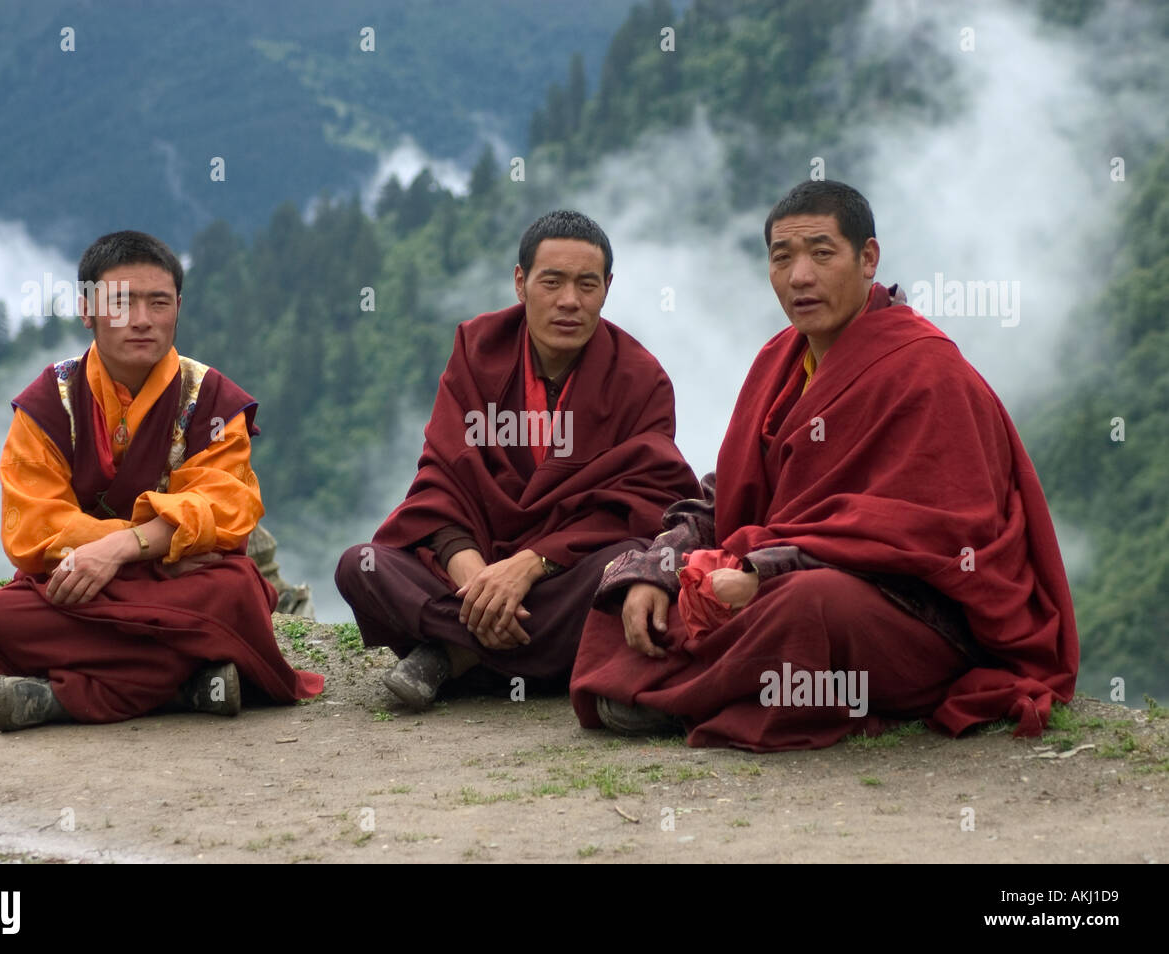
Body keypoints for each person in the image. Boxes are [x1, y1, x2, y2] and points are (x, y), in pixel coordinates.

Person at [570, 181, 1079, 750]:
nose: (800, 276)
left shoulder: (927, 371)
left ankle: (677, 693)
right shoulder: (777, 361)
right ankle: (700, 686)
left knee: (806, 606)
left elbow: (937, 534)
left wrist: (768, 568)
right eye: (782, 258)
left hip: (914, 614)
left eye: (821, 252)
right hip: (777, 571)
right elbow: (731, 494)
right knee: (627, 567)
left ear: (868, 258)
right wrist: (660, 566)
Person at [335, 210, 700, 709]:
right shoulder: (477, 350)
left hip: (565, 571)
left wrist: (533, 563)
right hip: (481, 562)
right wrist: (479, 581)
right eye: (552, 282)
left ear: (608, 288)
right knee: (362, 565)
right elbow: (443, 479)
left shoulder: (640, 379)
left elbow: (647, 502)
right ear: (521, 283)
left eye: (587, 285)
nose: (570, 301)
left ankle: (452, 656)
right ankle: (528, 652)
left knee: (622, 564)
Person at [0, 230, 323, 731]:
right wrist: (158, 550)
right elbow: (32, 528)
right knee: (0, 620)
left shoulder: (211, 399)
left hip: (172, 585)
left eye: (158, 302)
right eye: (121, 302)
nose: (141, 319)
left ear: (177, 307)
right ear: (87, 310)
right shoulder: (49, 405)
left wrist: (118, 552)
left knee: (236, 594)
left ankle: (67, 698)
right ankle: (188, 685)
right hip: (134, 581)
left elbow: (228, 507)